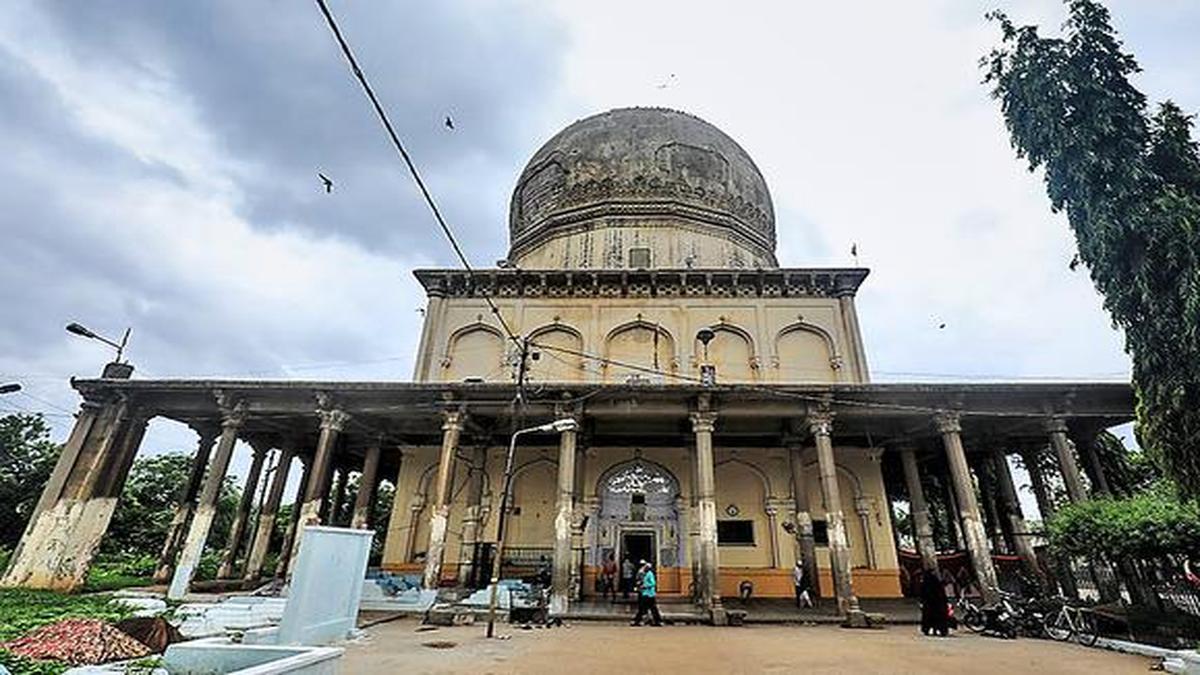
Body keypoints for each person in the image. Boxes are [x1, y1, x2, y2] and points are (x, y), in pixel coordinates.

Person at [630, 560, 662, 626]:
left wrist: (645, 586)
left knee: (650, 608)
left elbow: (653, 583)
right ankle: (656, 621)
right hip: (645, 593)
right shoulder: (645, 574)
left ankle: (657, 621)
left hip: (649, 594)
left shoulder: (650, 574)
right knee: (647, 608)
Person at [919, 569, 950, 637]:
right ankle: (940, 630)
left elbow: (923, 594)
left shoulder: (925, 582)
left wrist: (922, 602)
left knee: (929, 618)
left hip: (929, 604)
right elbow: (941, 593)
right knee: (938, 618)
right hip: (938, 604)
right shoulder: (936, 583)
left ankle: (928, 630)